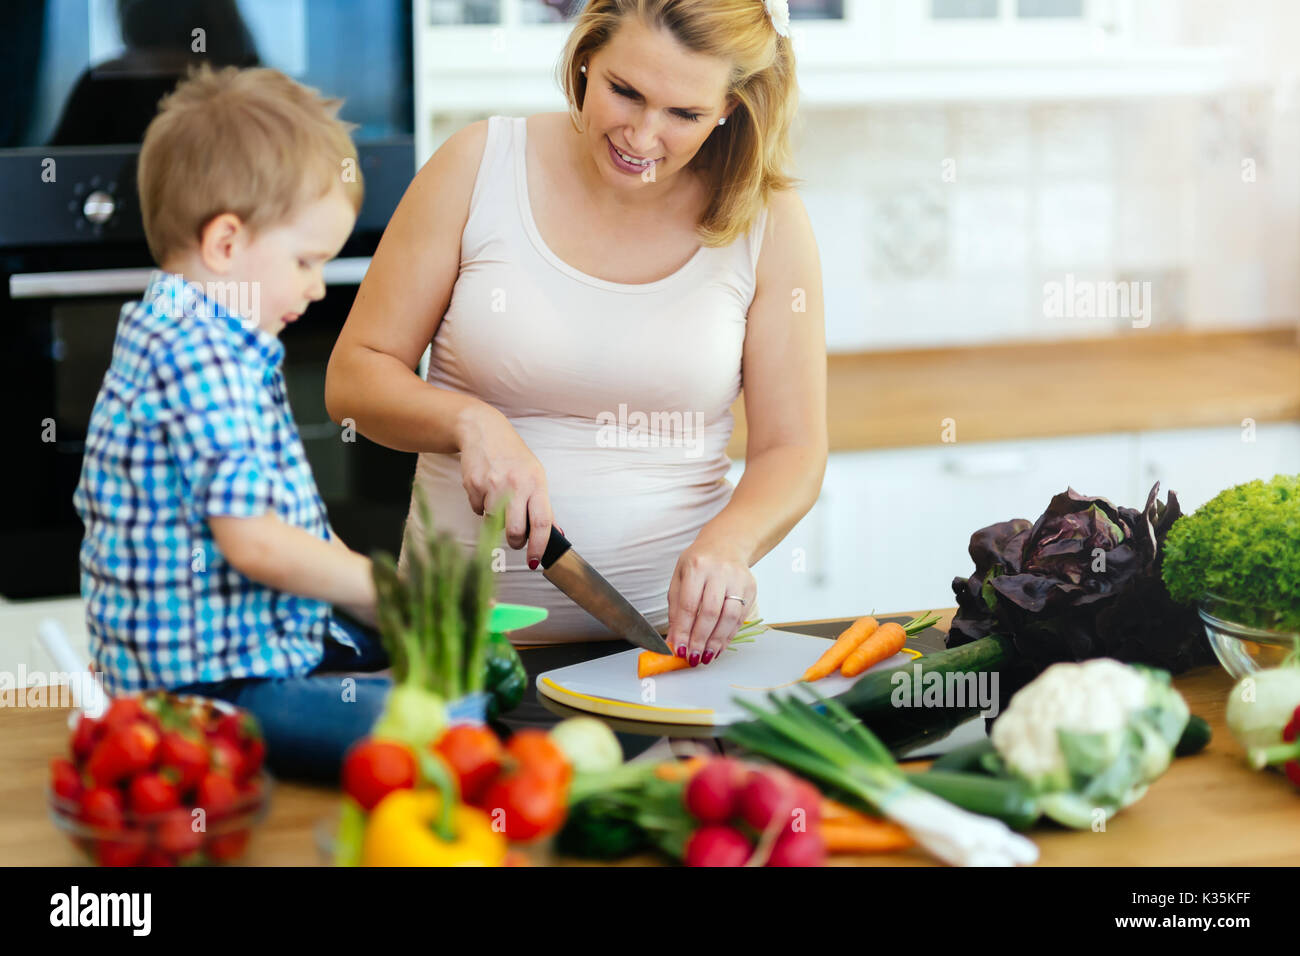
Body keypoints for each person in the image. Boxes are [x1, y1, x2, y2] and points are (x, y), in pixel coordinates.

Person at [325, 0, 827, 672]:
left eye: (684, 115)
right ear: (585, 55)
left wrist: (731, 543)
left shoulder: (768, 220)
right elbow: (354, 379)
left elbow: (792, 448)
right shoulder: (478, 165)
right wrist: (470, 423)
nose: (642, 137)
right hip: (458, 649)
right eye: (625, 92)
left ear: (729, 108)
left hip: (673, 656)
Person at [72, 65, 387, 782]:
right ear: (224, 244)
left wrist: (362, 593)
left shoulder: (185, 328)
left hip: (230, 656)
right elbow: (255, 543)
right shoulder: (200, 354)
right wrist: (376, 588)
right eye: (307, 260)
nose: (316, 285)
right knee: (424, 726)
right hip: (208, 694)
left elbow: (293, 525)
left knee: (403, 670)